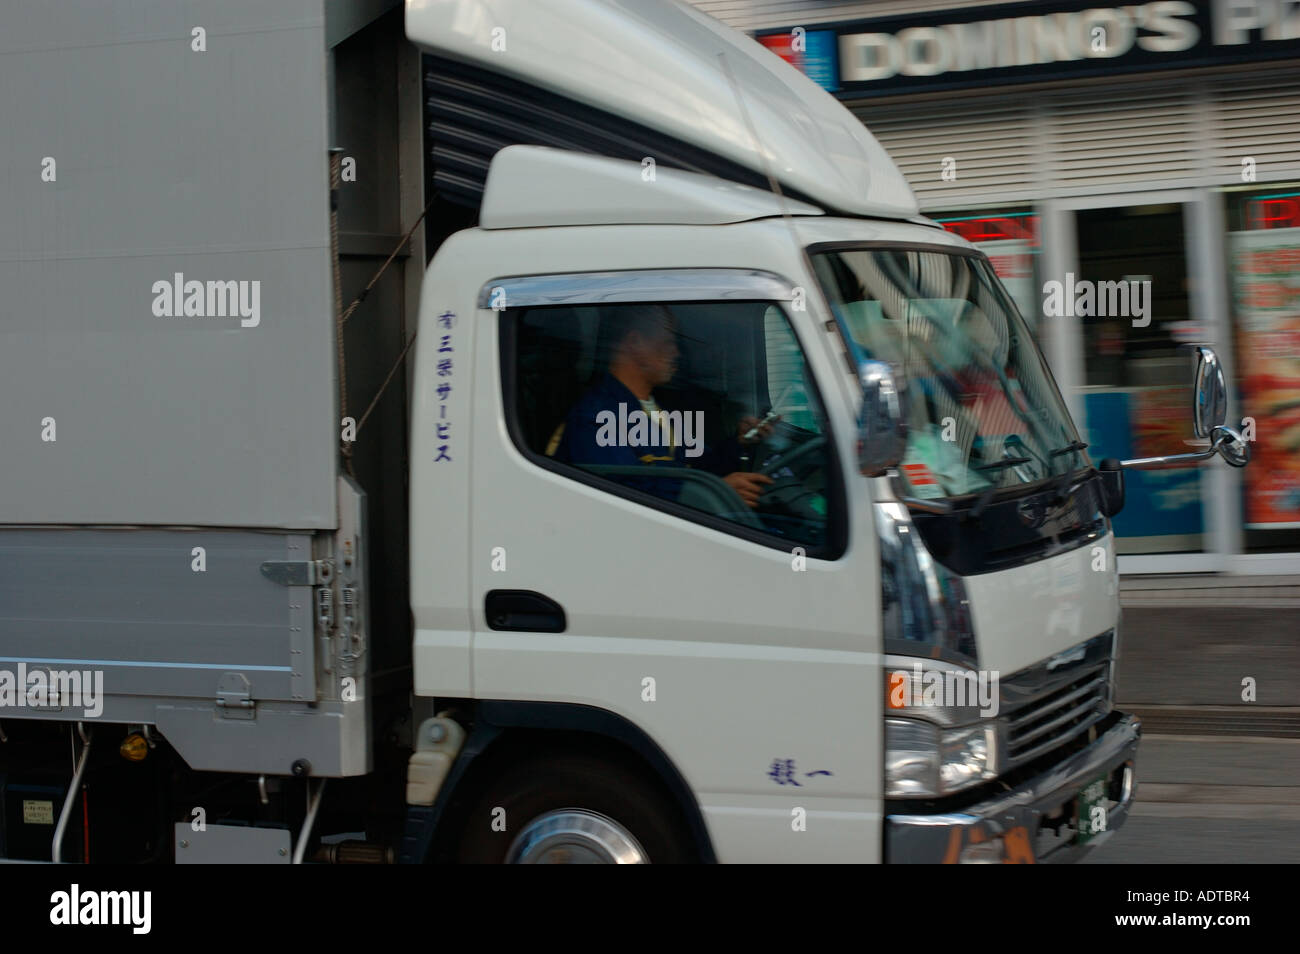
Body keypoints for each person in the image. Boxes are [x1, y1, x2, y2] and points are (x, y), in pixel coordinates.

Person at [552, 305, 775, 508]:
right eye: (669, 341)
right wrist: (707, 492)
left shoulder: (658, 412)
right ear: (635, 342)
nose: (676, 353)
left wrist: (739, 441)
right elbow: (624, 493)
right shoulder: (596, 416)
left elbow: (699, 465)